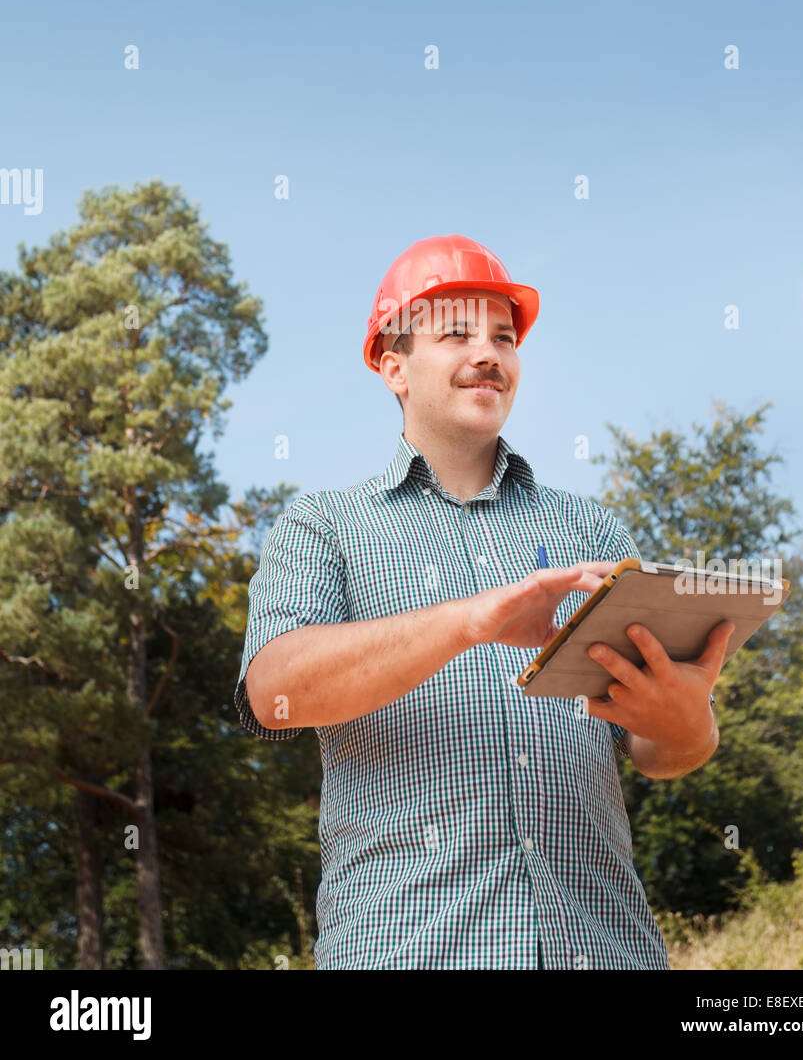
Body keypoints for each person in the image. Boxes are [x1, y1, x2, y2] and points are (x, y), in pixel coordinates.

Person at [234, 234, 733, 970]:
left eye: (504, 336)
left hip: (605, 951)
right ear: (392, 365)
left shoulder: (589, 529)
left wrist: (685, 720)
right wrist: (470, 622)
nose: (490, 353)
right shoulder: (323, 526)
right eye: (457, 333)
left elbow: (665, 752)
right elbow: (272, 693)